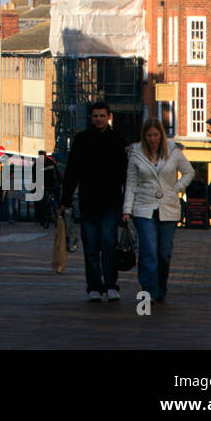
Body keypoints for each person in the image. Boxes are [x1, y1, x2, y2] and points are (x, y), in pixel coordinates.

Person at [59, 102, 128, 302]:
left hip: (111, 202)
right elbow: (72, 173)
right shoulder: (81, 140)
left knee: (108, 244)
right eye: (95, 115)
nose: (98, 119)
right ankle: (94, 286)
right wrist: (65, 200)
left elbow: (126, 175)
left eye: (102, 115)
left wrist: (127, 204)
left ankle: (111, 284)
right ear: (91, 117)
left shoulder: (117, 140)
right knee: (90, 246)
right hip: (88, 201)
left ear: (109, 116)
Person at [123, 116, 194, 306]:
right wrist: (127, 209)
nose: (152, 139)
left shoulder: (173, 151)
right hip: (143, 207)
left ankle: (161, 288)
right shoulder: (136, 153)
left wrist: (177, 188)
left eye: (155, 135)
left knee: (164, 252)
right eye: (148, 136)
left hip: (168, 206)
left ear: (161, 135)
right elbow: (131, 183)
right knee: (148, 250)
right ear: (144, 136)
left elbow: (189, 172)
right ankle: (149, 291)